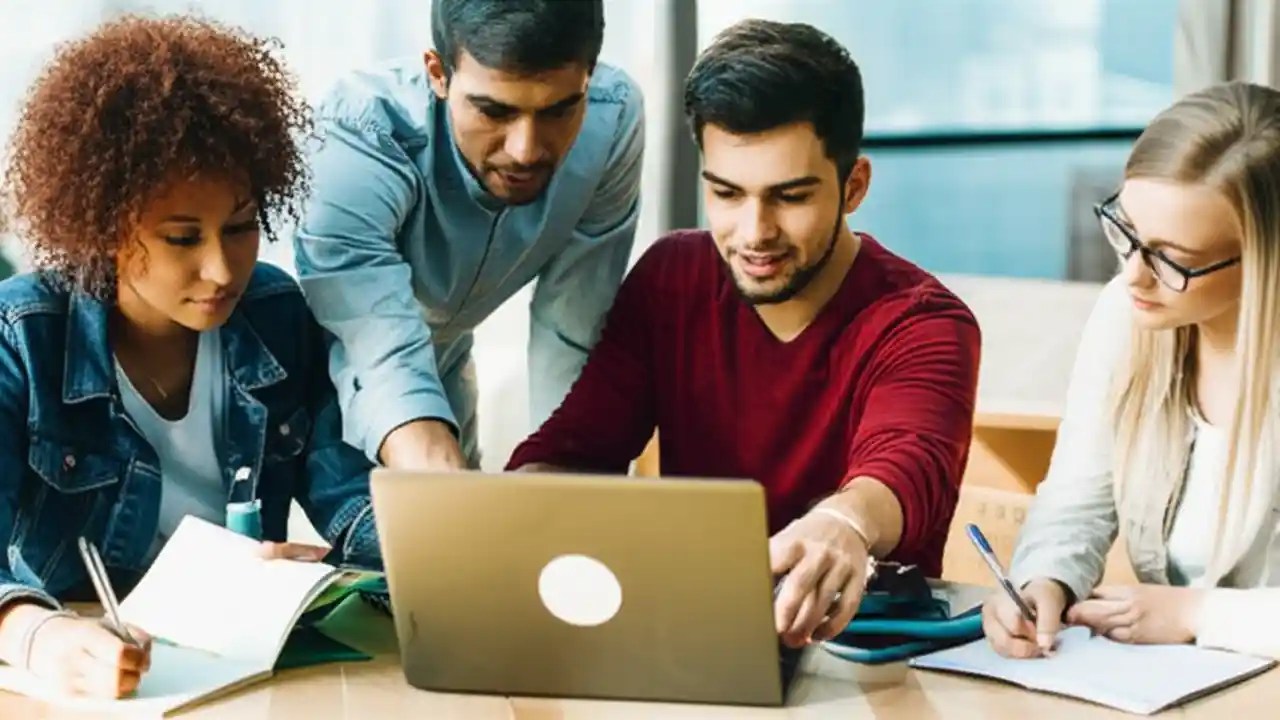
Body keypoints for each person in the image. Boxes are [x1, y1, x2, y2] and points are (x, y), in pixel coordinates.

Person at [506, 19, 980, 649]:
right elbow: (575, 446)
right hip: (688, 641)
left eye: (789, 197)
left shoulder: (924, 322)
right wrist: (506, 510)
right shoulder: (672, 277)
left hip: (865, 657)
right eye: (727, 194)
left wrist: (843, 523)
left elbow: (904, 468)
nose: (753, 232)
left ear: (854, 186)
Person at [0, 15, 379, 698]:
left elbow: (349, 503)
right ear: (107, 229)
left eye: (240, 229)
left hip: (238, 672)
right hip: (85, 673)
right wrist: (35, 634)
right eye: (182, 238)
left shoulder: (275, 313)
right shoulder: (23, 336)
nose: (221, 269)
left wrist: (343, 572)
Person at [983, 82, 1280, 660]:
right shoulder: (1128, 315)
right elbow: (1077, 499)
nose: (1133, 275)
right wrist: (1042, 581)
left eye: (1172, 259)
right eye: (1126, 232)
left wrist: (1196, 614)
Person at [293, 0, 644, 470]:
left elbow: (573, 325)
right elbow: (375, 346)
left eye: (559, 111)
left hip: (446, 367)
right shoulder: (357, 136)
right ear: (438, 73)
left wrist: (560, 474)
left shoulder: (613, 118)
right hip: (317, 376)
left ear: (590, 76)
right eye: (494, 112)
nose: (525, 151)